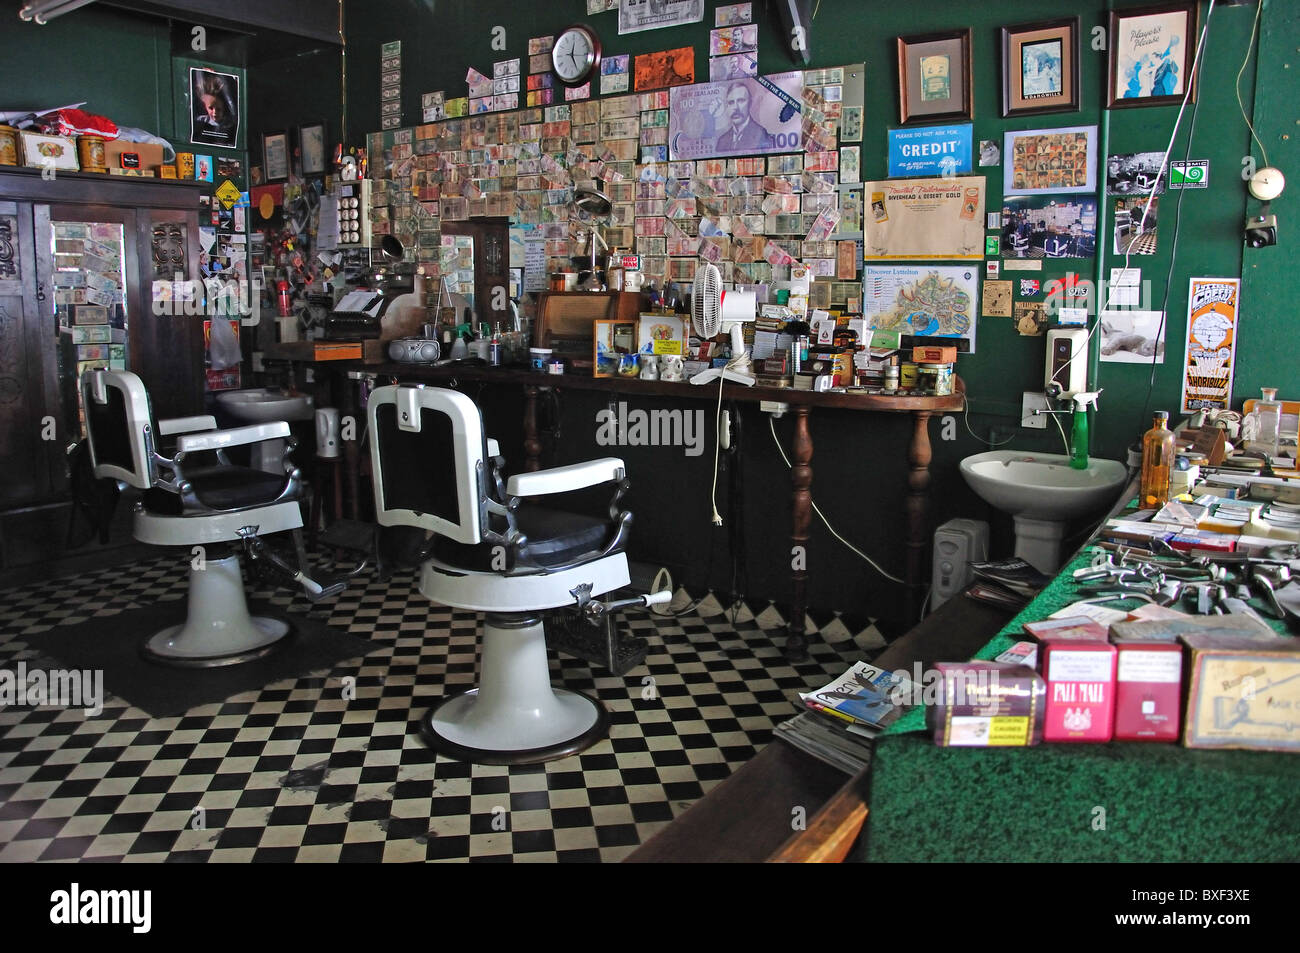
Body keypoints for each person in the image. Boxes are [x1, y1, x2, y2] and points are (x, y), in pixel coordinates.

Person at [712, 81, 776, 154]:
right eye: (731, 103)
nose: (735, 107)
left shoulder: (761, 134)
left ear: (750, 103)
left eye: (741, 101)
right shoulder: (722, 141)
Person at [193, 70, 237, 145]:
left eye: (219, 109)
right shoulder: (200, 120)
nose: (215, 112)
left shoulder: (231, 123)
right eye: (210, 108)